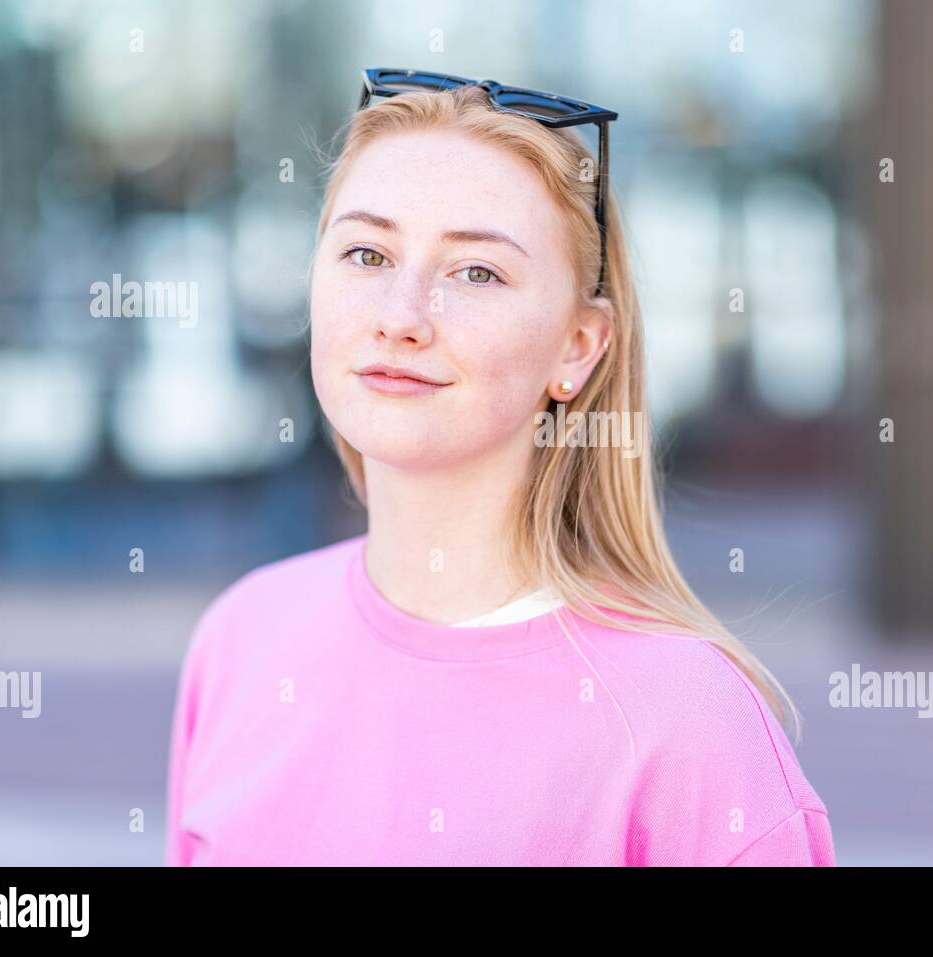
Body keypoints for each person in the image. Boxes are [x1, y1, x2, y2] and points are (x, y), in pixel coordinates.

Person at [162, 76, 835, 866]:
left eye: (476, 272)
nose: (400, 316)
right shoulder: (243, 640)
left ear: (578, 345)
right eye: (366, 253)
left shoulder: (686, 725)